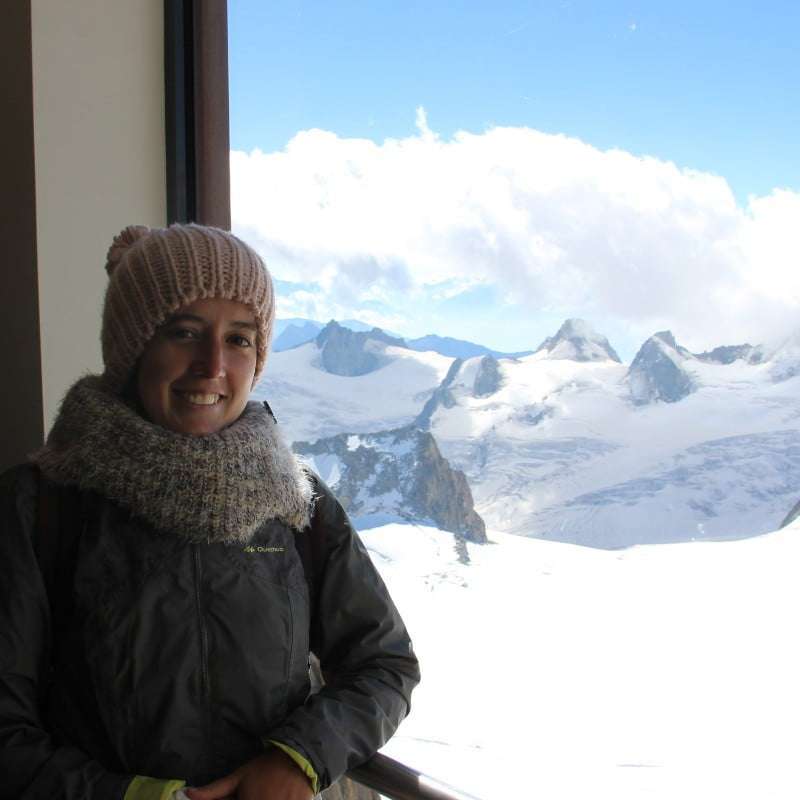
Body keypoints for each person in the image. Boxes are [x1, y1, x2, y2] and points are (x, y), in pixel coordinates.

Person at [0, 224, 420, 799]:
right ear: (132, 347)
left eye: (240, 339)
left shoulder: (297, 502)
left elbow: (384, 664)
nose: (212, 364)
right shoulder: (39, 506)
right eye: (183, 332)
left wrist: (299, 758)